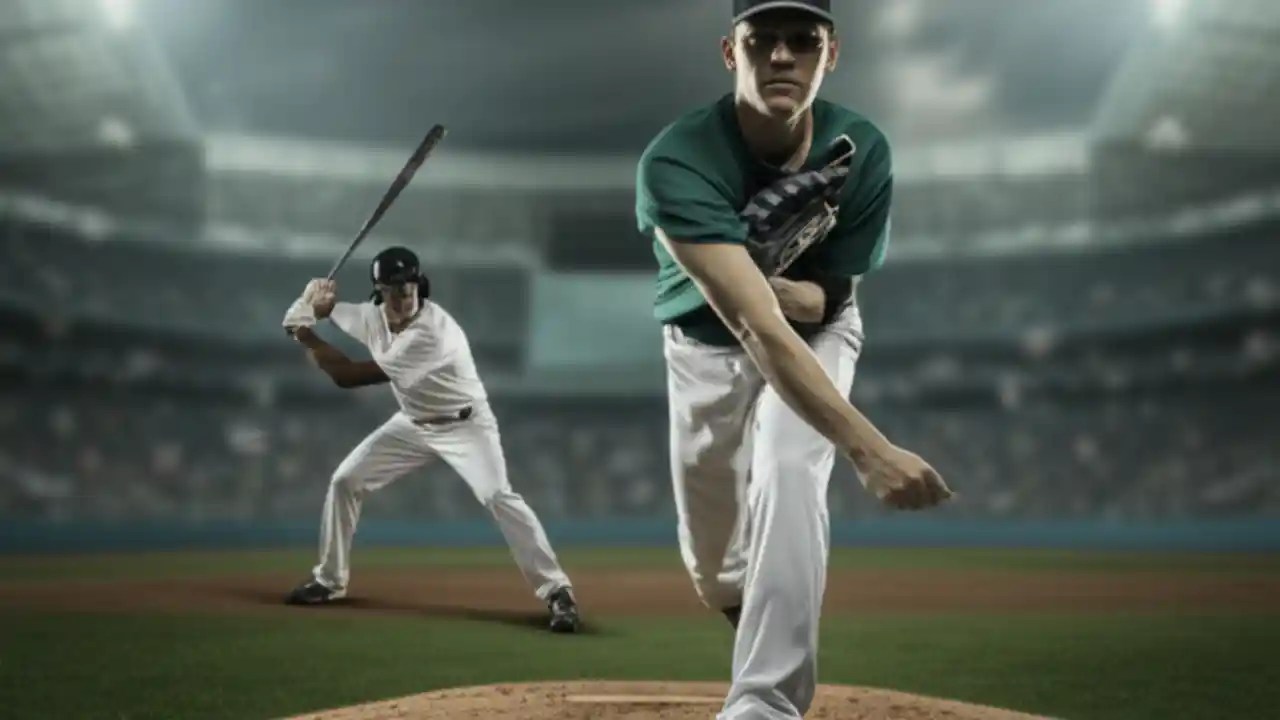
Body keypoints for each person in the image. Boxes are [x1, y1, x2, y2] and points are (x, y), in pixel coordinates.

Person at [635, 0, 954, 715]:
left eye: (804, 41)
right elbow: (754, 327)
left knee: (788, 466)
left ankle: (766, 700)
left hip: (818, 334)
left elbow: (830, 298)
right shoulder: (676, 160)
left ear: (830, 55)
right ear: (730, 52)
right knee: (714, 568)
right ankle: (745, 607)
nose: (783, 56)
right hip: (704, 349)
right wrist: (871, 450)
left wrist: (765, 287)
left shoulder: (861, 149)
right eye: (763, 40)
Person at [279, 246, 581, 633]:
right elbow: (336, 312)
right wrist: (315, 301)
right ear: (379, 292)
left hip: (466, 426)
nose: (404, 296)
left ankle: (558, 592)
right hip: (414, 423)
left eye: (409, 287)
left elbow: (348, 376)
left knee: (497, 496)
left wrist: (302, 331)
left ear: (419, 285)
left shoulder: (433, 333)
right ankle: (329, 580)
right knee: (345, 481)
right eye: (394, 289)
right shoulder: (372, 317)